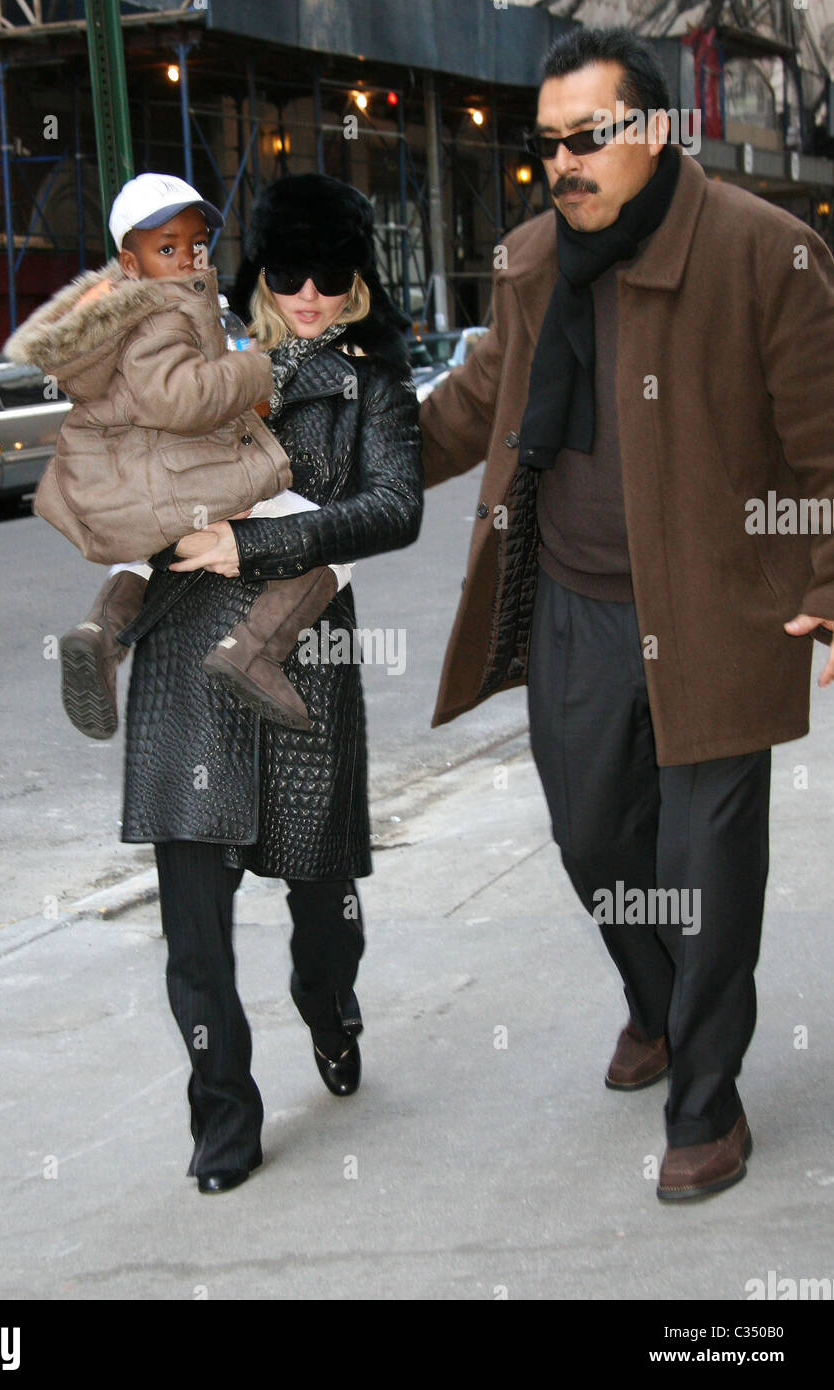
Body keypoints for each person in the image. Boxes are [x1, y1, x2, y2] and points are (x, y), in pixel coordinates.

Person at [420, 26, 834, 1201]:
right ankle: (653, 1005)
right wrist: (347, 455)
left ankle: (704, 1100)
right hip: (571, 606)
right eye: (547, 143)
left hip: (720, 609)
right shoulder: (532, 263)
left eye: (588, 138)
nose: (563, 163)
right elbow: (467, 410)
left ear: (655, 131)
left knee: (704, 872)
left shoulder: (767, 255)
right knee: (595, 842)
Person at [113, 172, 422, 1193]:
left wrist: (257, 539)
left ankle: (328, 1006)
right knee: (191, 924)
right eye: (288, 271)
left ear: (357, 284)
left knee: (320, 900)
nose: (309, 292)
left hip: (302, 662)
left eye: (331, 275)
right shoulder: (192, 354)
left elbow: (393, 510)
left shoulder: (371, 383)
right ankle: (222, 1117)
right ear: (259, 273)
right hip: (181, 667)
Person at [5, 172, 352, 737]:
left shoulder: (116, 321)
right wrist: (256, 368)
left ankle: (99, 635)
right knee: (333, 538)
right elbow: (181, 397)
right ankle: (255, 650)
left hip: (139, 493)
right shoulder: (163, 315)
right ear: (131, 264)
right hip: (189, 482)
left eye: (196, 244)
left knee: (145, 547)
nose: (189, 257)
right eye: (167, 248)